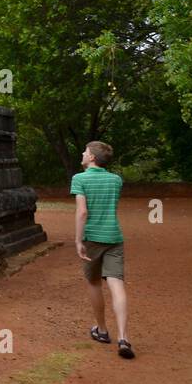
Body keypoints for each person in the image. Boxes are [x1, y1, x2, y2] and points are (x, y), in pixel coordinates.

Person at [70, 141, 133, 359]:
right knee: (117, 284)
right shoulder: (116, 180)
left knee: (94, 282)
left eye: (85, 152)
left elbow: (82, 212)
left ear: (92, 158)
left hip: (92, 239)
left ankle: (102, 330)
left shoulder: (80, 179)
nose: (82, 153)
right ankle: (124, 337)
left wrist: (78, 240)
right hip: (114, 237)